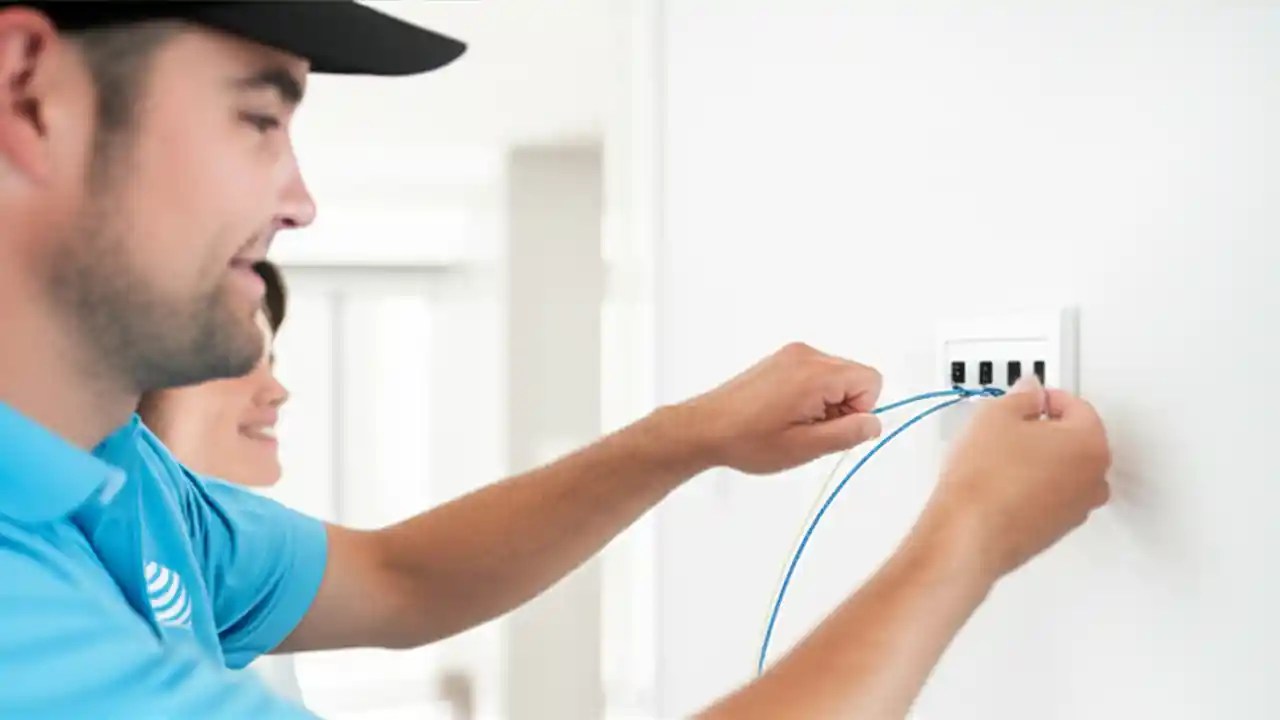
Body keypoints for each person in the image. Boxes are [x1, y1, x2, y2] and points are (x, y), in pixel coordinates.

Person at [0, 3, 1111, 718]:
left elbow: (400, 578)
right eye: (257, 119)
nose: (300, 202)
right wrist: (966, 540)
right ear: (27, 93)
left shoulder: (122, 481)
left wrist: (685, 437)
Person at [136, 259, 304, 703]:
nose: (277, 391)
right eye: (239, 360)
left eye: (270, 360)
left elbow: (399, 579)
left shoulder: (240, 572)